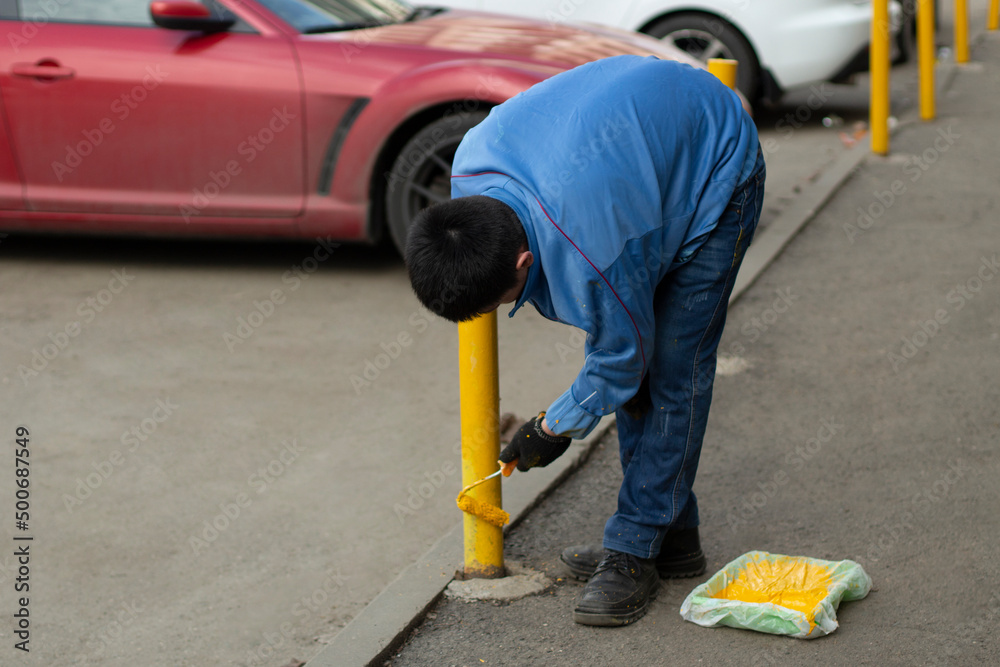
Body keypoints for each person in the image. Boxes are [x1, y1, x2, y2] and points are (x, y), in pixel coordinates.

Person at [405, 55, 764, 627]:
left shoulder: (592, 253)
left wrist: (552, 428)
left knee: (671, 370)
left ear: (523, 261)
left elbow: (624, 360)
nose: (505, 311)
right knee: (643, 371)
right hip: (644, 144)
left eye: (502, 302)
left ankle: (634, 549)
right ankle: (671, 539)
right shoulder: (470, 170)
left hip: (714, 161)